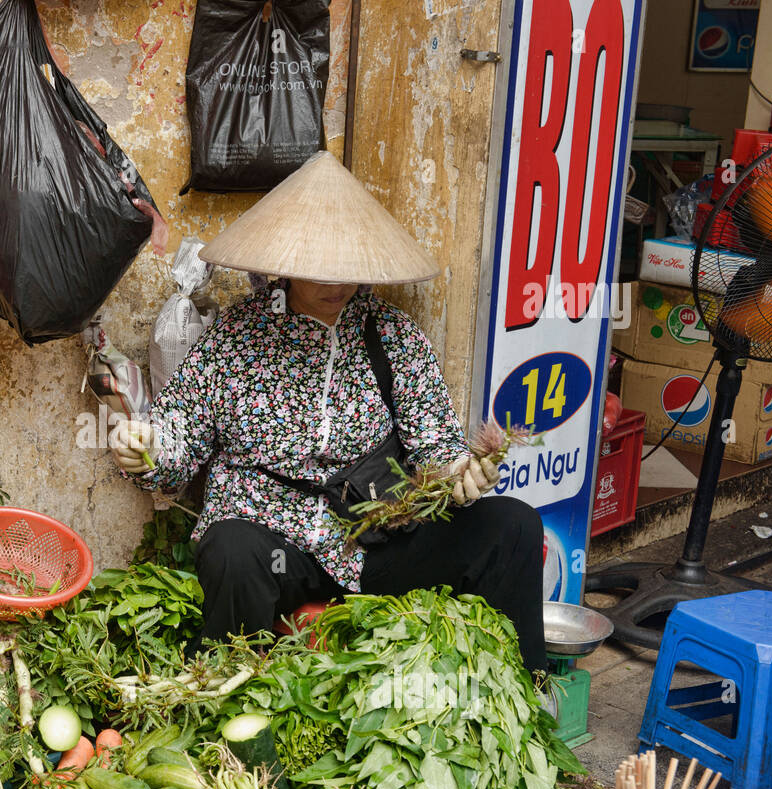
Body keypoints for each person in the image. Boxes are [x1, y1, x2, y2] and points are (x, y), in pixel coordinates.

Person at [108, 152, 547, 675]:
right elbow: (178, 437)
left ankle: (519, 693)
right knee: (230, 547)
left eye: (347, 270)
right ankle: (229, 707)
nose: (336, 285)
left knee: (513, 525)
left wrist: (458, 473)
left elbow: (436, 446)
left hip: (377, 540)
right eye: (320, 270)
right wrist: (147, 450)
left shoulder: (392, 337)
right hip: (273, 541)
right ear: (287, 265)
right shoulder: (235, 338)